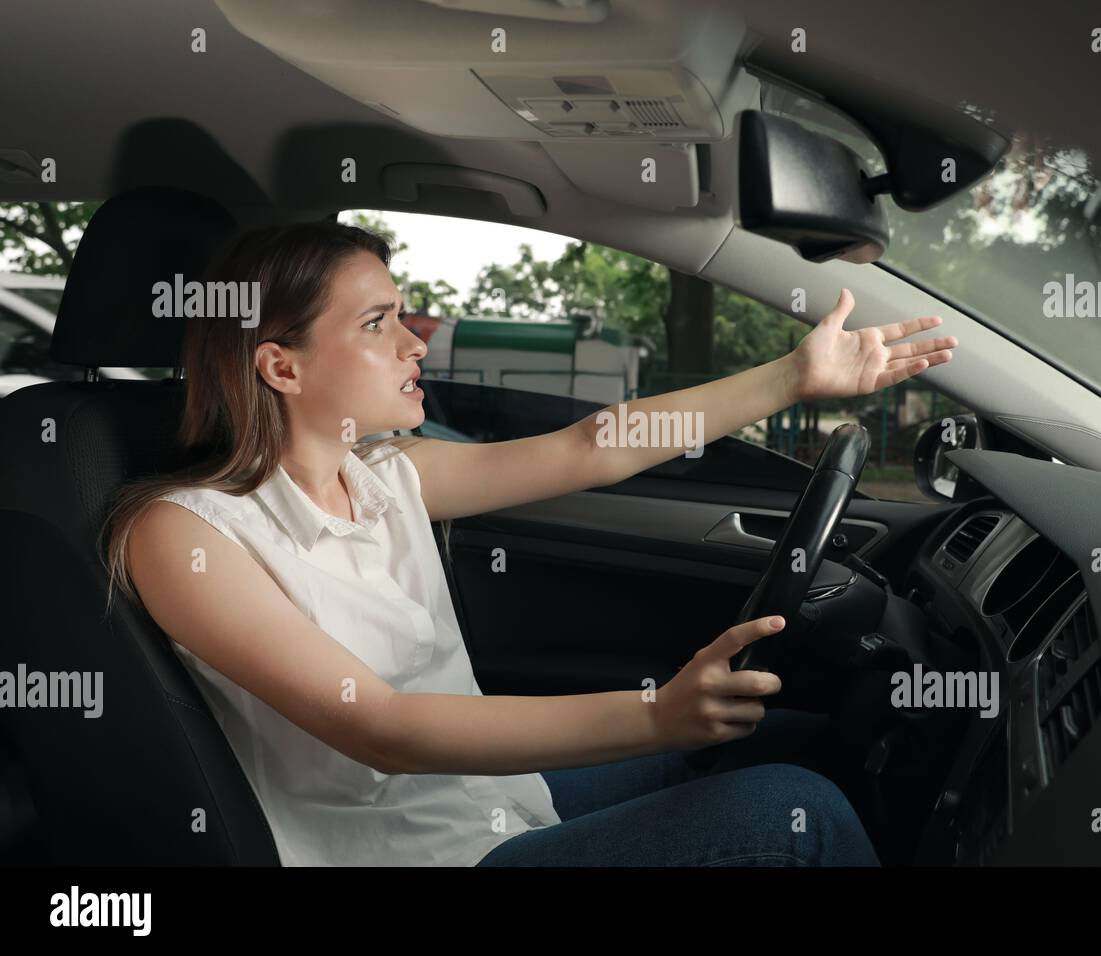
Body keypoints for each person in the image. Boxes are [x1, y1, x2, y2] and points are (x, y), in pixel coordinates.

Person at [101, 220, 957, 866]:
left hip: (490, 805)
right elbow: (385, 729)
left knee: (799, 738)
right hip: (420, 859)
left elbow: (594, 446)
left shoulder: (388, 475)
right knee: (788, 812)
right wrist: (654, 716)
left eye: (404, 315)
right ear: (281, 367)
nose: (416, 339)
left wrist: (794, 377)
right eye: (377, 323)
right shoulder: (184, 533)